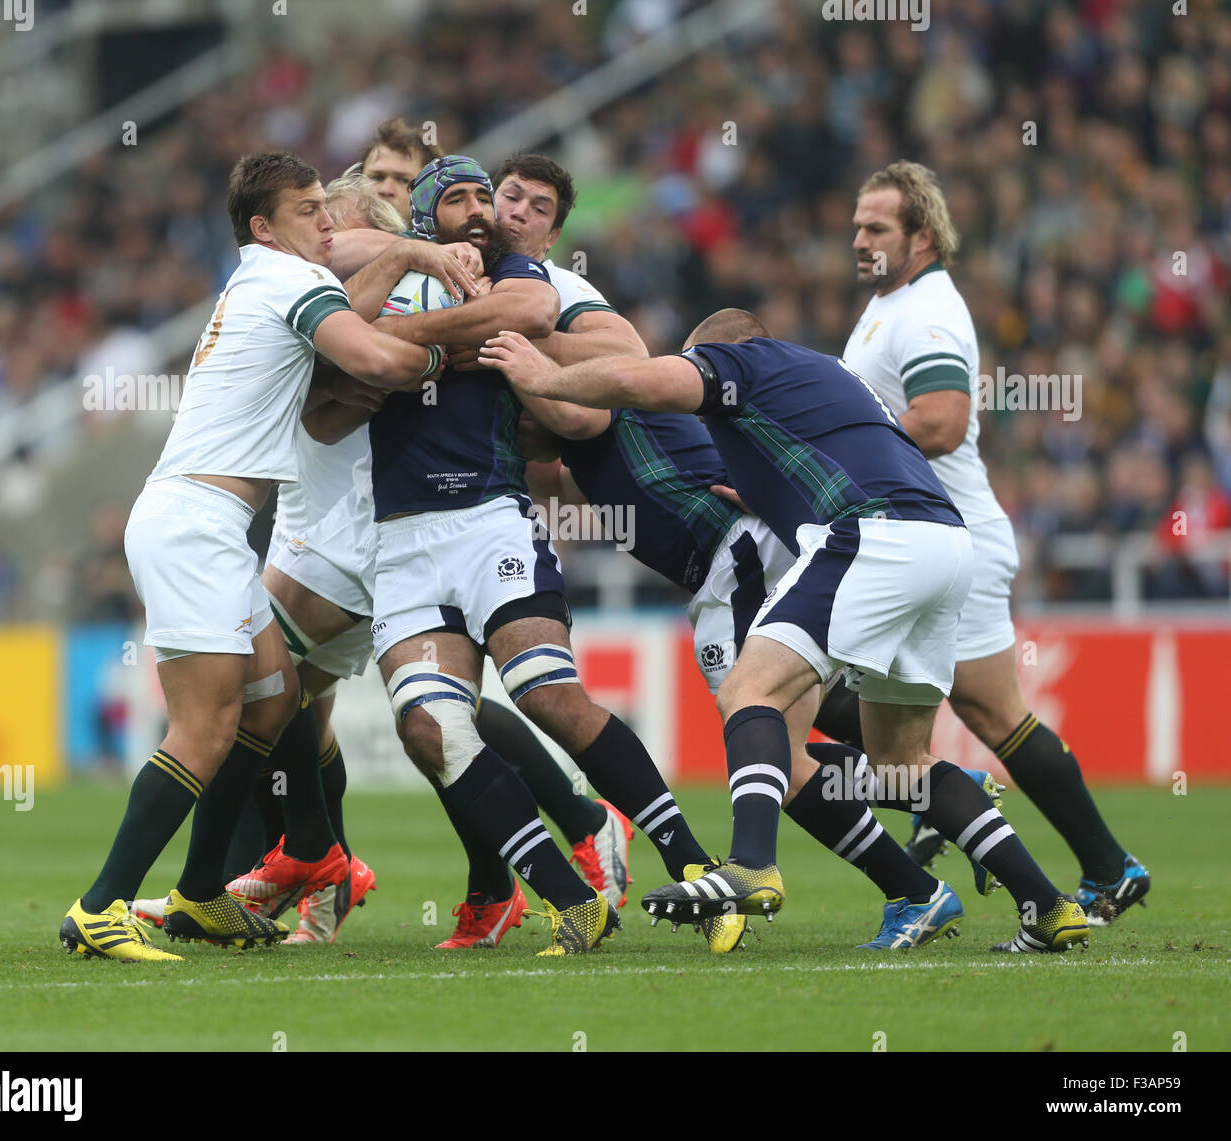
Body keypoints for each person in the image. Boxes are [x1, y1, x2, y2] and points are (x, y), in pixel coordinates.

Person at [481, 309, 1093, 954]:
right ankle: (1046, 905)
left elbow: (641, 381)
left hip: (870, 536)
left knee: (750, 697)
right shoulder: (831, 375)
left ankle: (751, 864)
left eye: (699, 365)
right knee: (900, 765)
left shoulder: (745, 361)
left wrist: (542, 373)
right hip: (943, 544)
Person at [59, 152, 441, 962]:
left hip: (213, 527)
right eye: (310, 209)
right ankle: (101, 906)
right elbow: (369, 357)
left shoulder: (269, 281)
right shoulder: (283, 280)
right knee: (203, 729)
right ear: (264, 226)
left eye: (326, 208)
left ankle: (201, 894)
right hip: (194, 527)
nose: (329, 220)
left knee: (275, 701)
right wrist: (450, 360)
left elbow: (345, 319)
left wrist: (404, 257)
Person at [363, 154, 718, 955]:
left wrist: (404, 346)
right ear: (424, 216)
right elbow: (340, 359)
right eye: (462, 199)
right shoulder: (387, 269)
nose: (486, 210)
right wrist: (407, 325)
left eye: (496, 198)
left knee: (544, 693)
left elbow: (529, 311)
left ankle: (695, 862)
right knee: (431, 730)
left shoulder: (513, 274)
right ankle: (572, 901)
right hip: (399, 537)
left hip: (490, 517)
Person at [824, 161, 1148, 925]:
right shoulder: (889, 305)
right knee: (971, 711)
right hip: (922, 537)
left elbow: (939, 421)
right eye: (856, 227)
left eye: (876, 228)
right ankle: (1083, 857)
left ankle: (966, 816)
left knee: (810, 680)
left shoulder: (927, 310)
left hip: (947, 538)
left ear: (923, 236)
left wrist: (833, 447)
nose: (860, 240)